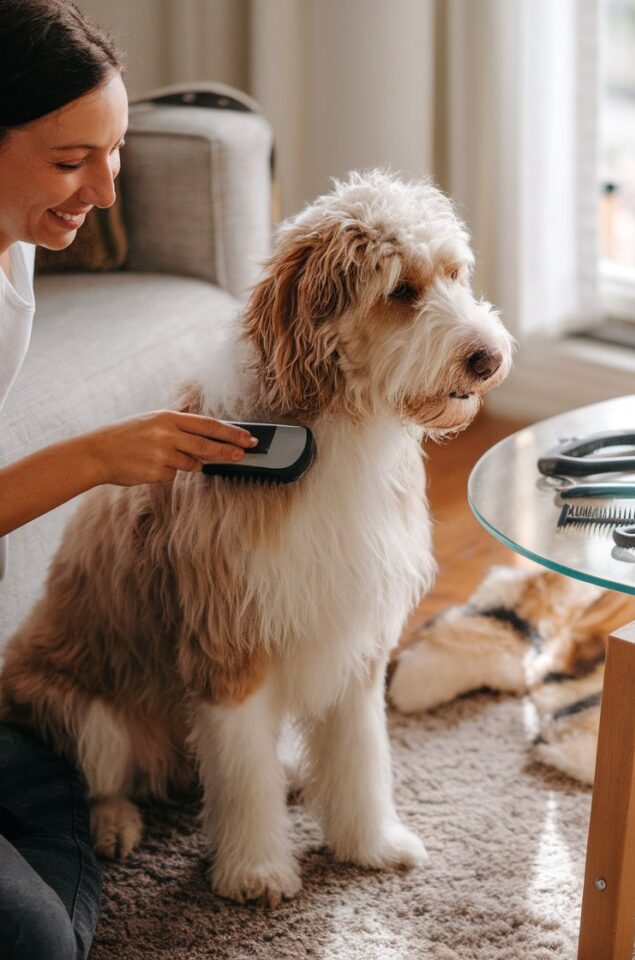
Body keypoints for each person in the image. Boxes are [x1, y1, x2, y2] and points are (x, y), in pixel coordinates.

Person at [0, 3, 257, 957]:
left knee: (50, 760)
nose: (105, 191)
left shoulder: (14, 246)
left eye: (114, 153)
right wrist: (98, 458)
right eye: (72, 161)